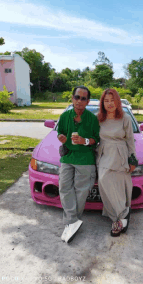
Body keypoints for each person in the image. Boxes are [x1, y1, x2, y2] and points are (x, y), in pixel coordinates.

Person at [57, 86, 100, 243]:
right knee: (64, 187)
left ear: (88, 101)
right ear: (72, 98)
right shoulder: (65, 116)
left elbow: (97, 139)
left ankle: (71, 222)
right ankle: (73, 220)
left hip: (85, 158)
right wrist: (61, 138)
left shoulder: (92, 119)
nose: (79, 101)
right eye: (77, 97)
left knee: (80, 191)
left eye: (83, 98)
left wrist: (85, 141)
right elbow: (60, 133)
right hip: (68, 157)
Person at [96, 89, 138, 237]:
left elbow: (130, 140)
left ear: (117, 101)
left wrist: (132, 158)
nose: (110, 104)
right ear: (102, 103)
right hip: (104, 154)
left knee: (119, 188)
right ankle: (122, 214)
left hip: (120, 155)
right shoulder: (98, 118)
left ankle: (119, 219)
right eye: (106, 101)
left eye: (112, 100)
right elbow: (93, 137)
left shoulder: (125, 118)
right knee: (103, 181)